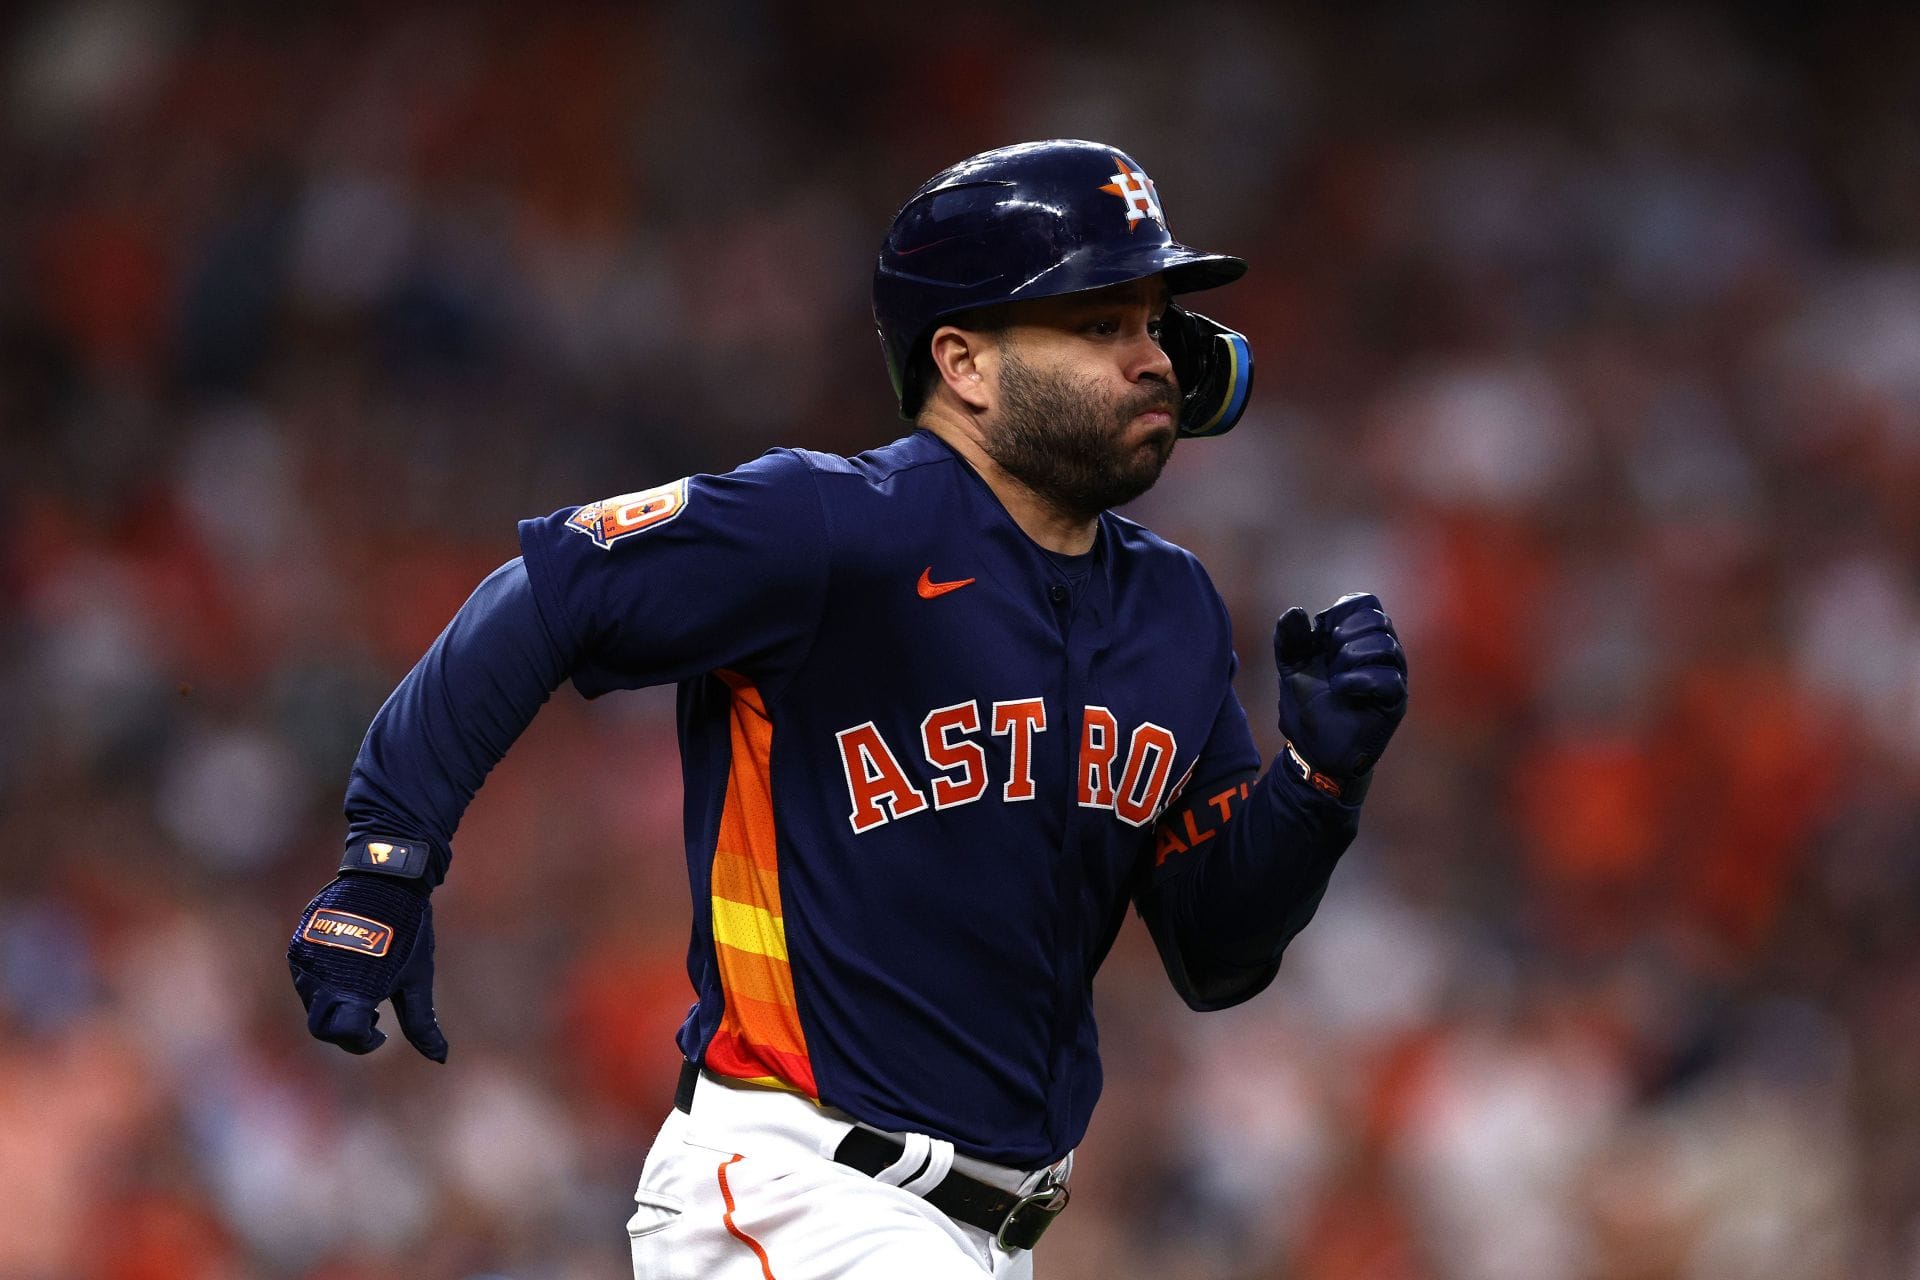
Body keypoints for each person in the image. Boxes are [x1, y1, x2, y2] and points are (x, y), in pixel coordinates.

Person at [287, 138, 1408, 1279]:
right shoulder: (832, 525)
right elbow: (547, 593)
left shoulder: (1171, 606)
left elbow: (1216, 951)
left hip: (986, 1235)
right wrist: (388, 853)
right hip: (801, 1191)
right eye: (1099, 322)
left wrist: (1317, 786)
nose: (1153, 357)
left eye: (1157, 322)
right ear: (963, 361)